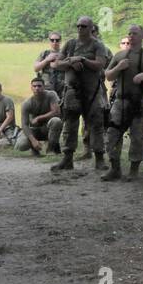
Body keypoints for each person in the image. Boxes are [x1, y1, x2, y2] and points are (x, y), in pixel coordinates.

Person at [102, 25, 143, 182]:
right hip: (121, 101)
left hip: (141, 102)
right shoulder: (120, 55)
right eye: (129, 33)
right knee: (112, 134)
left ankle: (134, 170)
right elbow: (108, 76)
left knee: (138, 136)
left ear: (142, 36)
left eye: (135, 33)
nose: (131, 36)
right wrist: (118, 67)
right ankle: (115, 168)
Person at [51, 16, 111, 173]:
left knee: (96, 125)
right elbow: (57, 64)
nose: (80, 28)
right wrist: (71, 61)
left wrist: (83, 60)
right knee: (70, 125)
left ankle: (99, 159)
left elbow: (100, 65)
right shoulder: (70, 44)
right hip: (72, 91)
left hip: (92, 92)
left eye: (83, 26)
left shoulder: (98, 45)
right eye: (78, 25)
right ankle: (67, 159)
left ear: (91, 28)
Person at [16, 76, 63, 155]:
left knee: (56, 121)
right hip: (34, 130)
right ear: (31, 88)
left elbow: (56, 112)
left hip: (48, 128)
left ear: (44, 87)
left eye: (39, 86)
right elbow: (24, 125)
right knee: (21, 145)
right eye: (34, 86)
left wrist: (39, 118)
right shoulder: (27, 103)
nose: (37, 88)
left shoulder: (51, 95)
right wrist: (33, 140)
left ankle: (50, 149)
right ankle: (34, 148)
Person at [34, 31, 67, 96]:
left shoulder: (65, 53)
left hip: (61, 87)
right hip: (47, 86)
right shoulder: (44, 53)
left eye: (57, 40)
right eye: (52, 40)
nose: (54, 42)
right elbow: (36, 68)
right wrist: (47, 60)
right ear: (49, 41)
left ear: (60, 41)